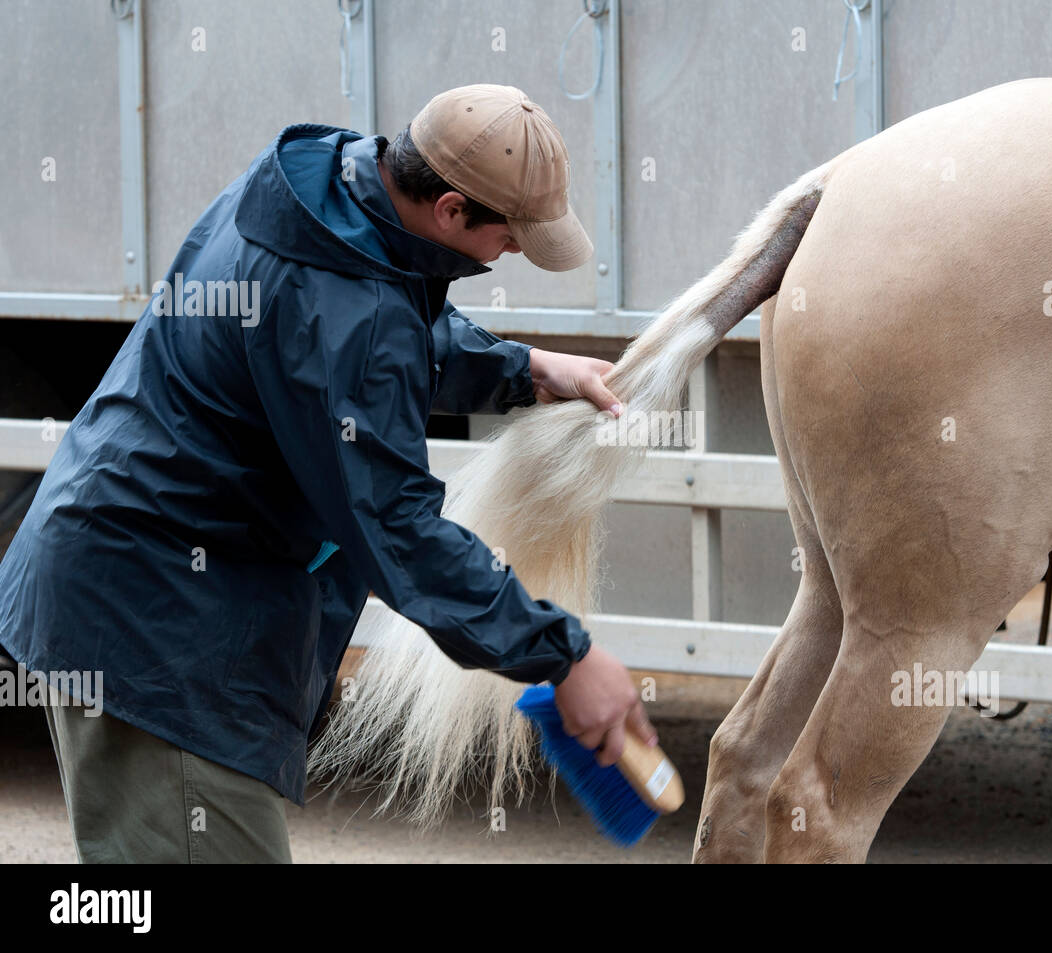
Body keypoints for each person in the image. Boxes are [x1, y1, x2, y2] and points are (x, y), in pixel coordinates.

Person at [0, 84, 655, 863]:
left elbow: (365, 328)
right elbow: (397, 529)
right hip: (156, 633)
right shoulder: (348, 304)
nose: (511, 255)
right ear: (449, 209)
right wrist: (564, 655)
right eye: (510, 238)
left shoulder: (321, 192)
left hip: (123, 578)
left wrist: (524, 366)